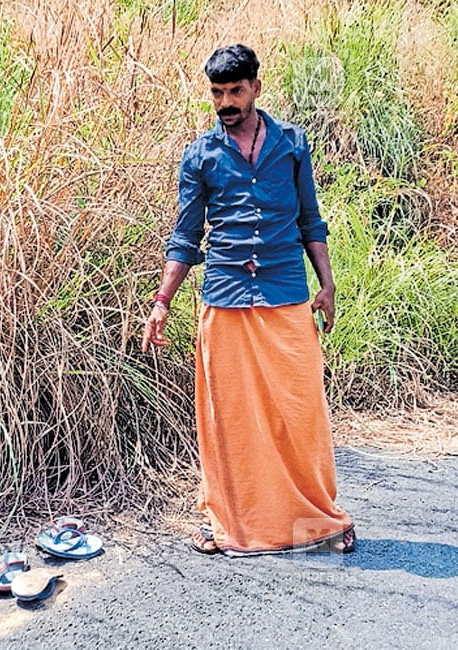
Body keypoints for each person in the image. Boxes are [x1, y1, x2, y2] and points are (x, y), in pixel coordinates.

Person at [141, 44, 356, 557]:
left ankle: (317, 518)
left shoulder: (292, 145)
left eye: (235, 91)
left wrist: (326, 284)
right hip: (226, 296)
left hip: (285, 292)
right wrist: (163, 301)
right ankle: (228, 519)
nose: (226, 102)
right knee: (229, 419)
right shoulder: (200, 157)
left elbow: (310, 220)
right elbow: (186, 236)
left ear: (256, 87)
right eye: (218, 93)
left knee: (300, 411)